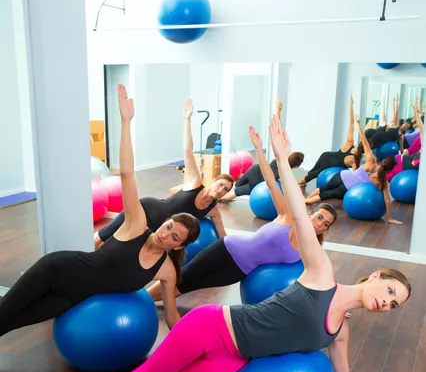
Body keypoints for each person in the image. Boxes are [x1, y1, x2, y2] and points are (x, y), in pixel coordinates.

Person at [39, 114, 411, 372]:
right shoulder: (322, 276)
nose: (387, 301)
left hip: (232, 360)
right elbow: (299, 216)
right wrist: (280, 159)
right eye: (391, 290)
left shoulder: (339, 332)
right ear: (377, 276)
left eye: (394, 304)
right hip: (212, 328)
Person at [0, 85, 200, 337]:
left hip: (74, 297)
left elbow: (171, 315)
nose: (165, 234)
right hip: (57, 270)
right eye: (169, 226)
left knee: (9, 324)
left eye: (174, 237)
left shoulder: (167, 271)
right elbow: (127, 174)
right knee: (4, 313)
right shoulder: (137, 224)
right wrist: (125, 122)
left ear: (179, 247)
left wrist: (190, 344)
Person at [148, 124, 336, 302]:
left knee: (185, 288)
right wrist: (260, 150)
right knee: (184, 275)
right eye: (320, 217)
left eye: (325, 224)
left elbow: (322, 278)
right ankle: (143, 298)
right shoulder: (287, 217)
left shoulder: (309, 249)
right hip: (227, 248)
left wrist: (332, 304)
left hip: (239, 270)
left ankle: (145, 301)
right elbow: (270, 181)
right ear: (311, 212)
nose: (320, 224)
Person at [94, 98, 233, 249]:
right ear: (213, 181)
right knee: (106, 234)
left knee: (117, 246)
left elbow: (222, 235)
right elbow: (188, 152)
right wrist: (187, 119)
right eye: (220, 185)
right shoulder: (194, 182)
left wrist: (231, 252)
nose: (221, 190)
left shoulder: (213, 210)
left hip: (160, 231)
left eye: (226, 189)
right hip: (146, 209)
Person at [305, 115, 403, 225]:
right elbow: (387, 201)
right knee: (325, 195)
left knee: (323, 188)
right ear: (390, 169)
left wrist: (358, 125)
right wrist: (389, 218)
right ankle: (305, 201)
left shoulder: (371, 161)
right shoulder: (383, 180)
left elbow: (365, 143)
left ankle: (305, 200)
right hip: (347, 187)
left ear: (384, 160)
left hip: (342, 175)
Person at [220, 98, 304, 202]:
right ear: (297, 166)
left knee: (235, 187)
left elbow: (277, 131)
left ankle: (217, 197)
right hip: (257, 180)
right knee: (235, 193)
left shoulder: (281, 157)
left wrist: (278, 110)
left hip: (254, 169)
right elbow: (287, 186)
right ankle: (216, 201)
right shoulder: (284, 168)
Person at [298, 96, 364, 187]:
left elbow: (351, 124)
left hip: (326, 155)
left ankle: (301, 181)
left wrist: (351, 105)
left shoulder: (350, 143)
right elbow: (355, 175)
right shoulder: (354, 160)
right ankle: (299, 182)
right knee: (314, 174)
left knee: (312, 171)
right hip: (329, 163)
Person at [385, 102, 423, 182]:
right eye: (405, 125)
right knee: (388, 164)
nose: (406, 126)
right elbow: (409, 151)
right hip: (403, 158)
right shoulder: (420, 139)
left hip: (406, 164)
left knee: (388, 175)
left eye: (407, 126)